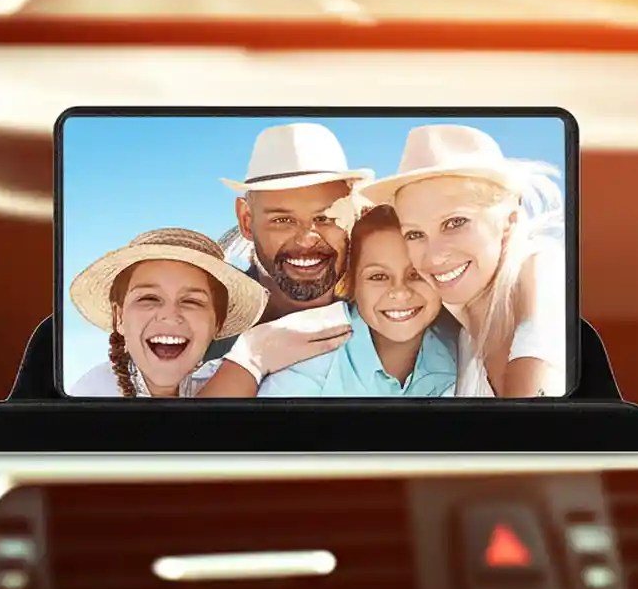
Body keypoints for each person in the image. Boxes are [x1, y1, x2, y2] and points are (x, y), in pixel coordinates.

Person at [357, 124, 566, 398]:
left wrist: (534, 318)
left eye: (455, 223)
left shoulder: (551, 282)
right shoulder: (458, 343)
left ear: (509, 221)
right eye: (415, 234)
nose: (433, 256)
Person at [197, 122, 371, 398]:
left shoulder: (388, 311)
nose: (306, 239)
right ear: (246, 220)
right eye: (282, 220)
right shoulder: (201, 323)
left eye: (325, 218)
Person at [257, 204, 458, 397]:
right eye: (378, 277)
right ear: (352, 284)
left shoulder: (461, 352)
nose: (400, 292)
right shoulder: (305, 360)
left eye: (416, 274)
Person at [67, 228, 268, 398]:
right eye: (149, 299)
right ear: (119, 318)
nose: (170, 316)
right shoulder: (93, 391)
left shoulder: (235, 379)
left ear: (218, 323)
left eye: (191, 301)